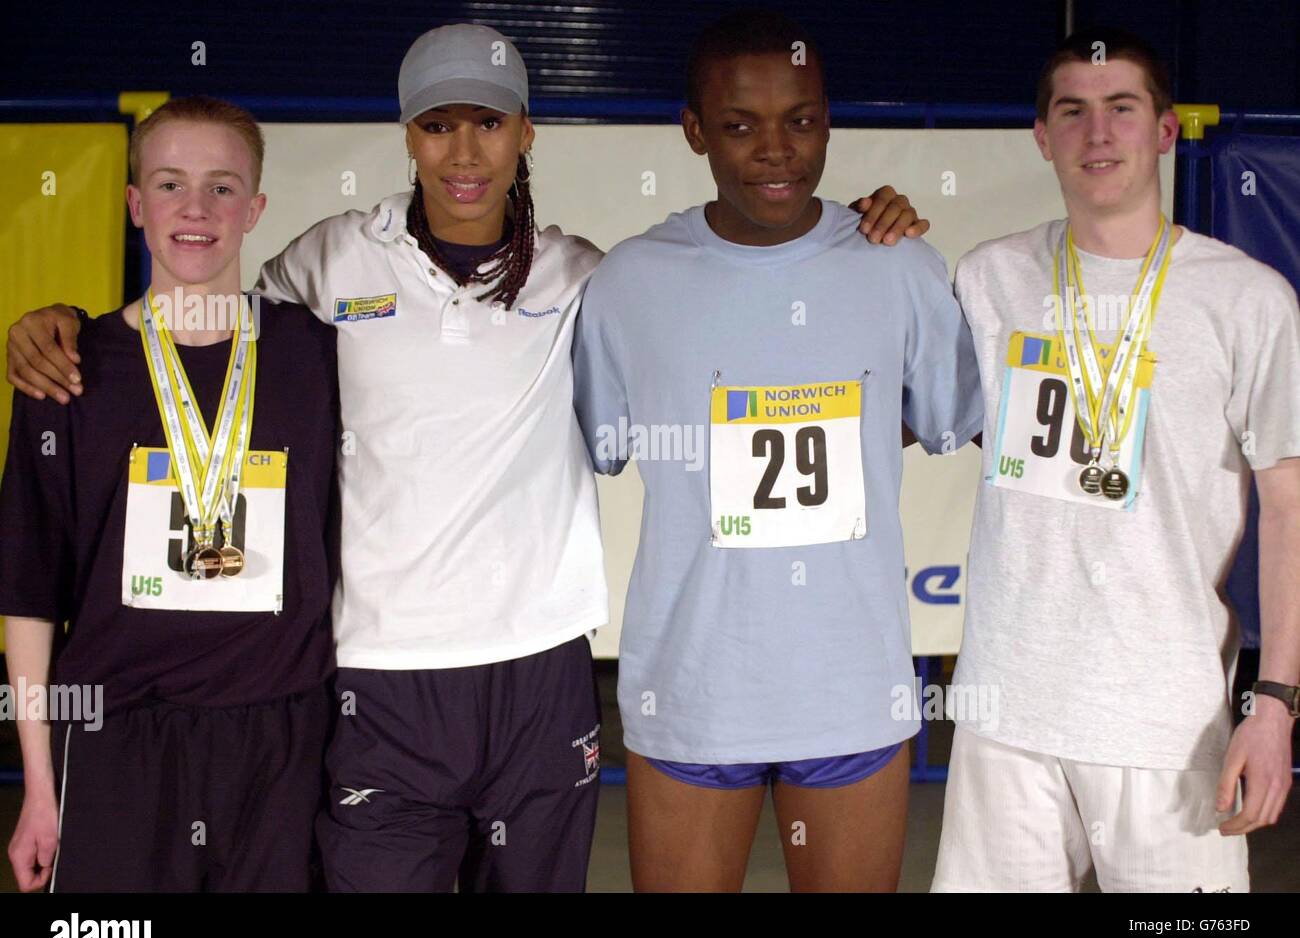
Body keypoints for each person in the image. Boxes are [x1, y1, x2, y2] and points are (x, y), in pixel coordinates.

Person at [4, 24, 928, 892]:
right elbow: (204, 312)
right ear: (407, 137)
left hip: (539, 675)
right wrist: (66, 326)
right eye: (437, 126)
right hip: (379, 681)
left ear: (525, 132)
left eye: (487, 123)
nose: (463, 152)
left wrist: (836, 229)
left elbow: (734, 282)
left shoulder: (587, 277)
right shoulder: (330, 264)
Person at [571, 10, 982, 892]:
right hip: (688, 690)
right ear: (693, 133)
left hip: (848, 689)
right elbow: (602, 442)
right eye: (740, 125)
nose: (776, 150)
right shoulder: (630, 281)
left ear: (829, 119)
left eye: (800, 120)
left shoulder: (898, 265)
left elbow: (947, 418)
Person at [932, 28, 1299, 893]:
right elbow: (922, 410)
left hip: (1168, 728)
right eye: (1074, 112)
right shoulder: (988, 280)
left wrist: (1275, 705)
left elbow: (1289, 507)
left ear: (1165, 132)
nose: (1098, 135)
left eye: (1122, 110)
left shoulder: (1247, 300)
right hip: (1005, 717)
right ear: (1042, 136)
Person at [1, 96, 339, 892]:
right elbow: (28, 593)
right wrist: (39, 787)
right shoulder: (68, 369)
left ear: (256, 207)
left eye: (223, 187)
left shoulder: (314, 355)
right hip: (118, 735)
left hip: (284, 735)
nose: (196, 208)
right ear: (133, 204)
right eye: (169, 184)